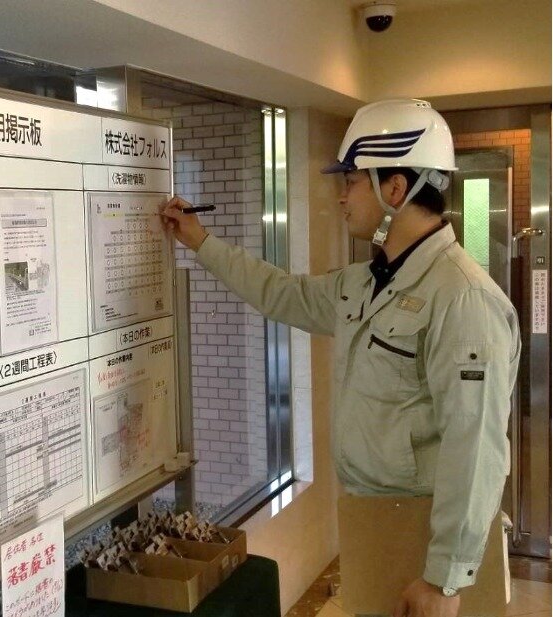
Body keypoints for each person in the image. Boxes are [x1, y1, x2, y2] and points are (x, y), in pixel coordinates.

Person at [161, 99, 520, 617]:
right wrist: (200, 241)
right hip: (373, 516)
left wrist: (444, 580)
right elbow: (281, 294)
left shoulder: (463, 298)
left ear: (394, 189)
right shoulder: (367, 283)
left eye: (351, 180)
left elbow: (477, 448)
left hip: (424, 532)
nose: (341, 195)